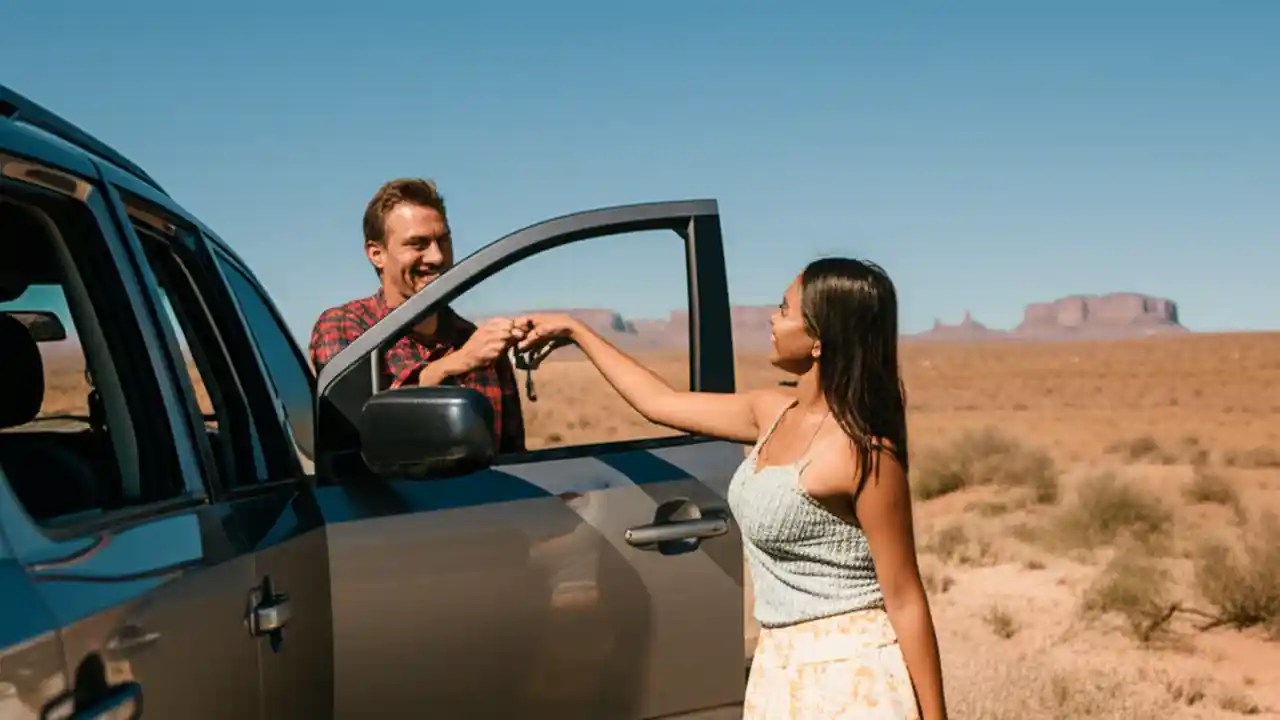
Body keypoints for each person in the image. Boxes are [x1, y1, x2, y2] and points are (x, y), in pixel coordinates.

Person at [514, 257, 947, 719]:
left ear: (819, 339)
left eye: (784, 309)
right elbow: (659, 402)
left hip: (853, 675)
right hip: (780, 667)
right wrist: (575, 331)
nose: (771, 319)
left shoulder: (865, 454)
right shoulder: (770, 412)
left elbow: (905, 597)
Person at [308, 177, 527, 453]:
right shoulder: (346, 327)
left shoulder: (475, 342)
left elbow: (513, 456)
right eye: (418, 244)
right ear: (376, 254)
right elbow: (358, 440)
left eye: (443, 241)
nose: (437, 257)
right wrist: (449, 367)